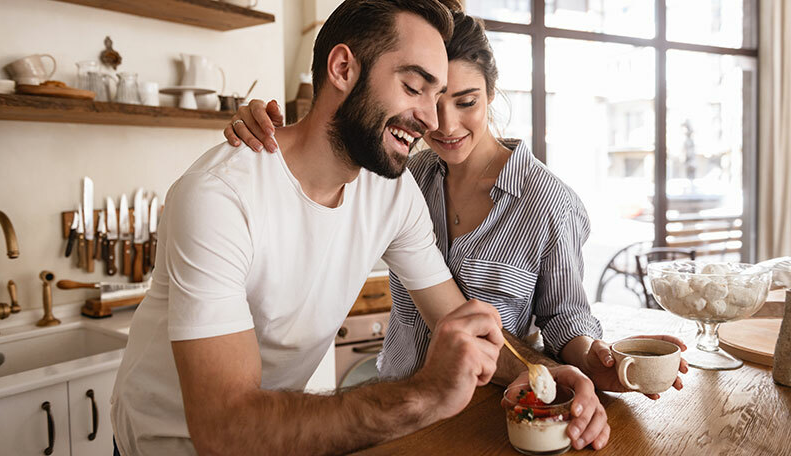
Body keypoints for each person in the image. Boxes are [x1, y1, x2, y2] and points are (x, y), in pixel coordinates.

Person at [226, 7, 689, 452]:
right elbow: (332, 153)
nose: (442, 124)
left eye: (465, 101)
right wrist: (273, 139)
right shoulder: (405, 177)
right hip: (398, 405)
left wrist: (595, 363)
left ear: (491, 93)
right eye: (425, 98)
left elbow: (565, 318)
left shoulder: (548, 202)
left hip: (498, 413)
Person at [111, 2, 508, 455]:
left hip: (274, 438)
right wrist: (424, 395)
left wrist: (557, 379)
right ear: (342, 68)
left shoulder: (391, 193)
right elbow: (224, 430)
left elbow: (460, 323)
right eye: (414, 87)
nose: (432, 120)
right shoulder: (219, 196)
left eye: (434, 96)